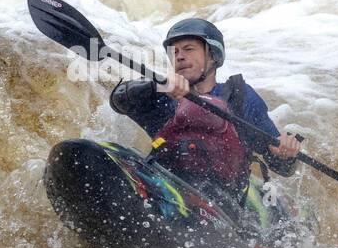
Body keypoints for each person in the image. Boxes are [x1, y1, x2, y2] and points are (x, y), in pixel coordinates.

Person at [109, 17, 301, 209]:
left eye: (189, 49)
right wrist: (157, 86)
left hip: (223, 205)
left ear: (213, 56)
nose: (179, 56)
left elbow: (281, 167)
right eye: (174, 52)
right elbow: (118, 100)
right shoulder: (162, 95)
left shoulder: (240, 97)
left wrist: (285, 153)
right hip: (164, 188)